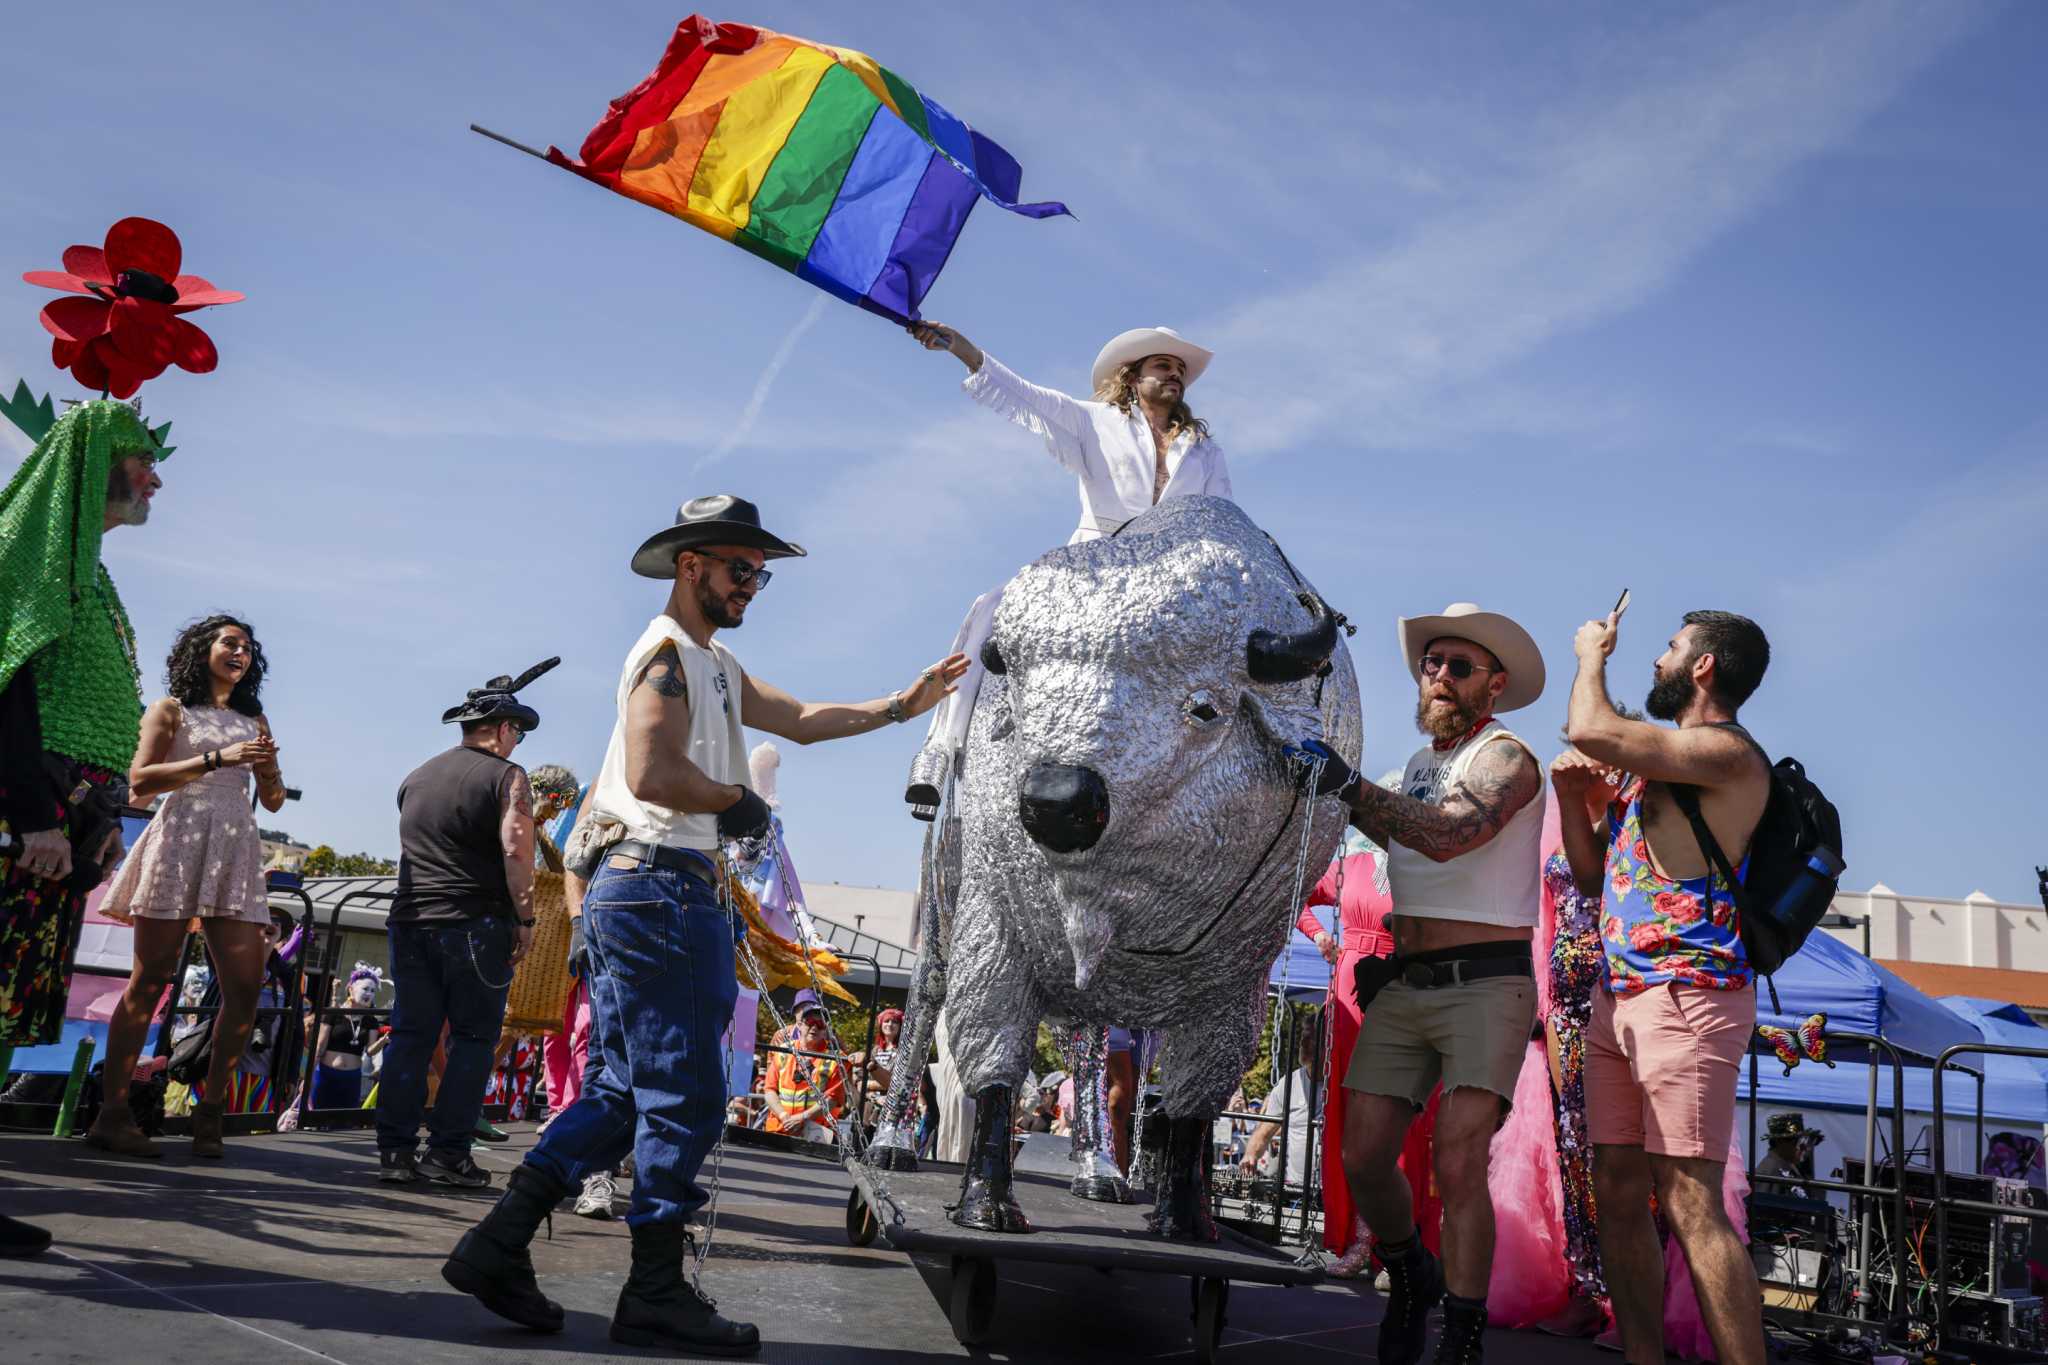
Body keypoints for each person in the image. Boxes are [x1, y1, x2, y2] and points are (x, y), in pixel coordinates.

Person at [440, 493, 967, 1356]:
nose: (753, 584)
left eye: (760, 572)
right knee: (684, 1094)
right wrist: (736, 799)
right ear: (692, 567)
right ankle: (653, 1288)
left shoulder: (712, 662)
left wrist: (903, 704)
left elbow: (799, 718)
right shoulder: (667, 654)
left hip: (650, 888)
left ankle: (499, 1243)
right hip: (661, 887)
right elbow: (651, 772)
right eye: (740, 568)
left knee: (620, 1089)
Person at [1298, 602, 1548, 1365]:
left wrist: (1344, 783)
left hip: (1487, 985)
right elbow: (1405, 833)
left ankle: (1462, 1336)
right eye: (1431, 662)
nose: (1438, 674)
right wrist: (1332, 788)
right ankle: (1410, 1270)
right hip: (1407, 981)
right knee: (1363, 1156)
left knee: (1456, 1158)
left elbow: (1448, 835)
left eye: (1458, 666)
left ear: (1495, 684)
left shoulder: (1509, 757)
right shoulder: (1416, 766)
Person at [1556, 606, 1774, 1365]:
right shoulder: (1656, 767)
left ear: (1705, 666)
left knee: (1689, 1198)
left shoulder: (1726, 753)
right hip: (1619, 997)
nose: (1658, 659)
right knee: (1618, 1186)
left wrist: (1591, 653)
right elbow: (1591, 875)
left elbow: (1590, 725)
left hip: (1689, 997)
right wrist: (1567, 797)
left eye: (1672, 647)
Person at [899, 321, 1229, 812]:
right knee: (990, 608)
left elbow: (1220, 519)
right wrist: (965, 350)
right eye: (1163, 365)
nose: (1175, 375)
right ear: (1133, 376)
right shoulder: (1094, 421)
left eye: (1180, 370)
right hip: (1091, 567)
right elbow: (1025, 396)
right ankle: (939, 749)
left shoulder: (1204, 450)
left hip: (1172, 578)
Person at [0, 396, 174, 1256]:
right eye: (141, 455)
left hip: (67, 824)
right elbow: (7, 684)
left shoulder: (88, 569)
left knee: (6, 1010)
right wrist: (33, 813)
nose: (154, 476)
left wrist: (102, 819)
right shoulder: (32, 558)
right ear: (94, 459)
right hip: (25, 823)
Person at [89, 615, 287, 1159]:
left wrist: (268, 772)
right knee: (149, 978)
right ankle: (112, 1113)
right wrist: (215, 758)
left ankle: (211, 1110)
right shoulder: (169, 709)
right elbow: (139, 782)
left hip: (235, 848)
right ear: (203, 650)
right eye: (230, 642)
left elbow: (272, 801)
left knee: (246, 987)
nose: (240, 652)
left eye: (247, 646)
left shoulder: (255, 717)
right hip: (179, 837)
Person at [374, 659, 555, 1188]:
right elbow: (517, 850)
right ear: (502, 729)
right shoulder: (507, 777)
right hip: (475, 923)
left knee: (411, 1035)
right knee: (474, 1039)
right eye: (516, 732)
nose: (517, 742)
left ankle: (394, 1152)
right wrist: (525, 917)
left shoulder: (417, 777)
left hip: (410, 920)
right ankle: (448, 1153)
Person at [1295, 835, 1396, 1276]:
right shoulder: (1351, 863)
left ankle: (1390, 1241)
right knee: (1346, 1111)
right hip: (1349, 988)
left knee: (1395, 1114)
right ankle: (1353, 1238)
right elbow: (1296, 891)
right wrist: (1318, 936)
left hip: (1400, 985)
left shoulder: (1425, 861)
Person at [1238, 1029, 1323, 1187]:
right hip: (1294, 1188)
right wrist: (1250, 1155)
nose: (1303, 1043)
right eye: (1302, 1037)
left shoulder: (1344, 1083)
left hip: (1334, 1191)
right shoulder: (1289, 1083)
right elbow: (1264, 1131)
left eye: (1311, 1038)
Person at [762, 995, 849, 1143]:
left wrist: (802, 1118)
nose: (815, 1027)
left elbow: (834, 1099)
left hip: (816, 1136)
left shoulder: (837, 1058)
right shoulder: (783, 1051)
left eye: (820, 1024)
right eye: (810, 1022)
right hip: (779, 1129)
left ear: (826, 1028)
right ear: (800, 1024)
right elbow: (769, 1090)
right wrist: (784, 1117)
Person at [310, 967, 386, 1111]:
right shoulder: (334, 1013)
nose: (369, 994)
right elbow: (319, 1047)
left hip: (352, 1078)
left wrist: (383, 1041)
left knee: (344, 1121)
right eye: (365, 989)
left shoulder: (371, 1021)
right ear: (351, 989)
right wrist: (308, 1077)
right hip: (326, 1074)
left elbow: (370, 1051)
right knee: (317, 1118)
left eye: (373, 991)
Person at [1755, 1114, 1821, 1198]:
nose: (1804, 1149)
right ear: (1780, 1142)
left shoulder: (1790, 1166)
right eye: (1797, 1143)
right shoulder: (1769, 1171)